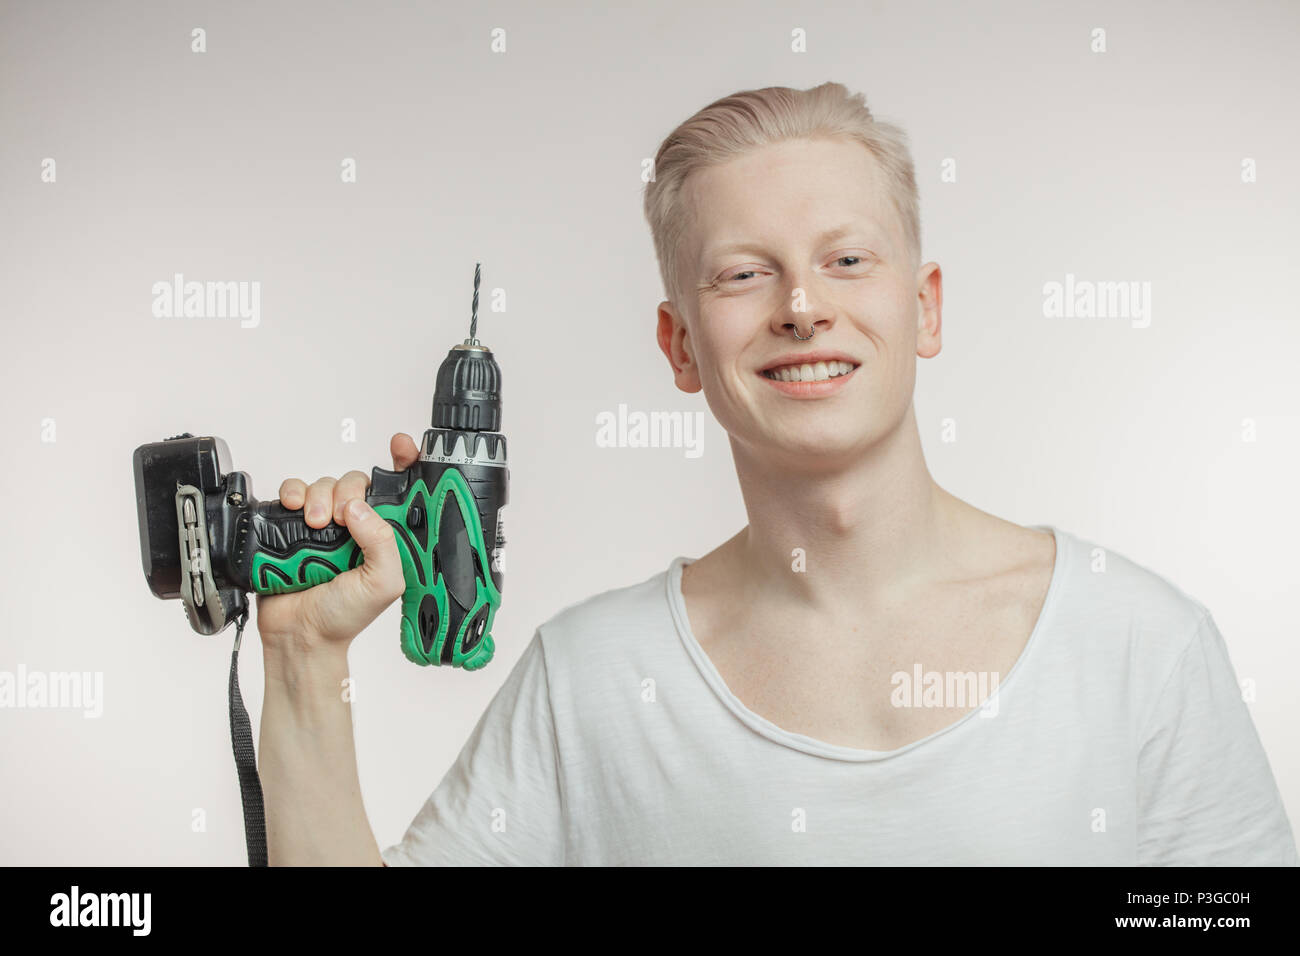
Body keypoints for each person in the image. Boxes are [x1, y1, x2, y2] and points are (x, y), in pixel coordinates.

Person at [256, 81, 1298, 865]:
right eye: (745, 273)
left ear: (924, 307)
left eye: (846, 259)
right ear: (677, 345)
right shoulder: (595, 682)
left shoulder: (1137, 648)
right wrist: (305, 665)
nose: (801, 304)